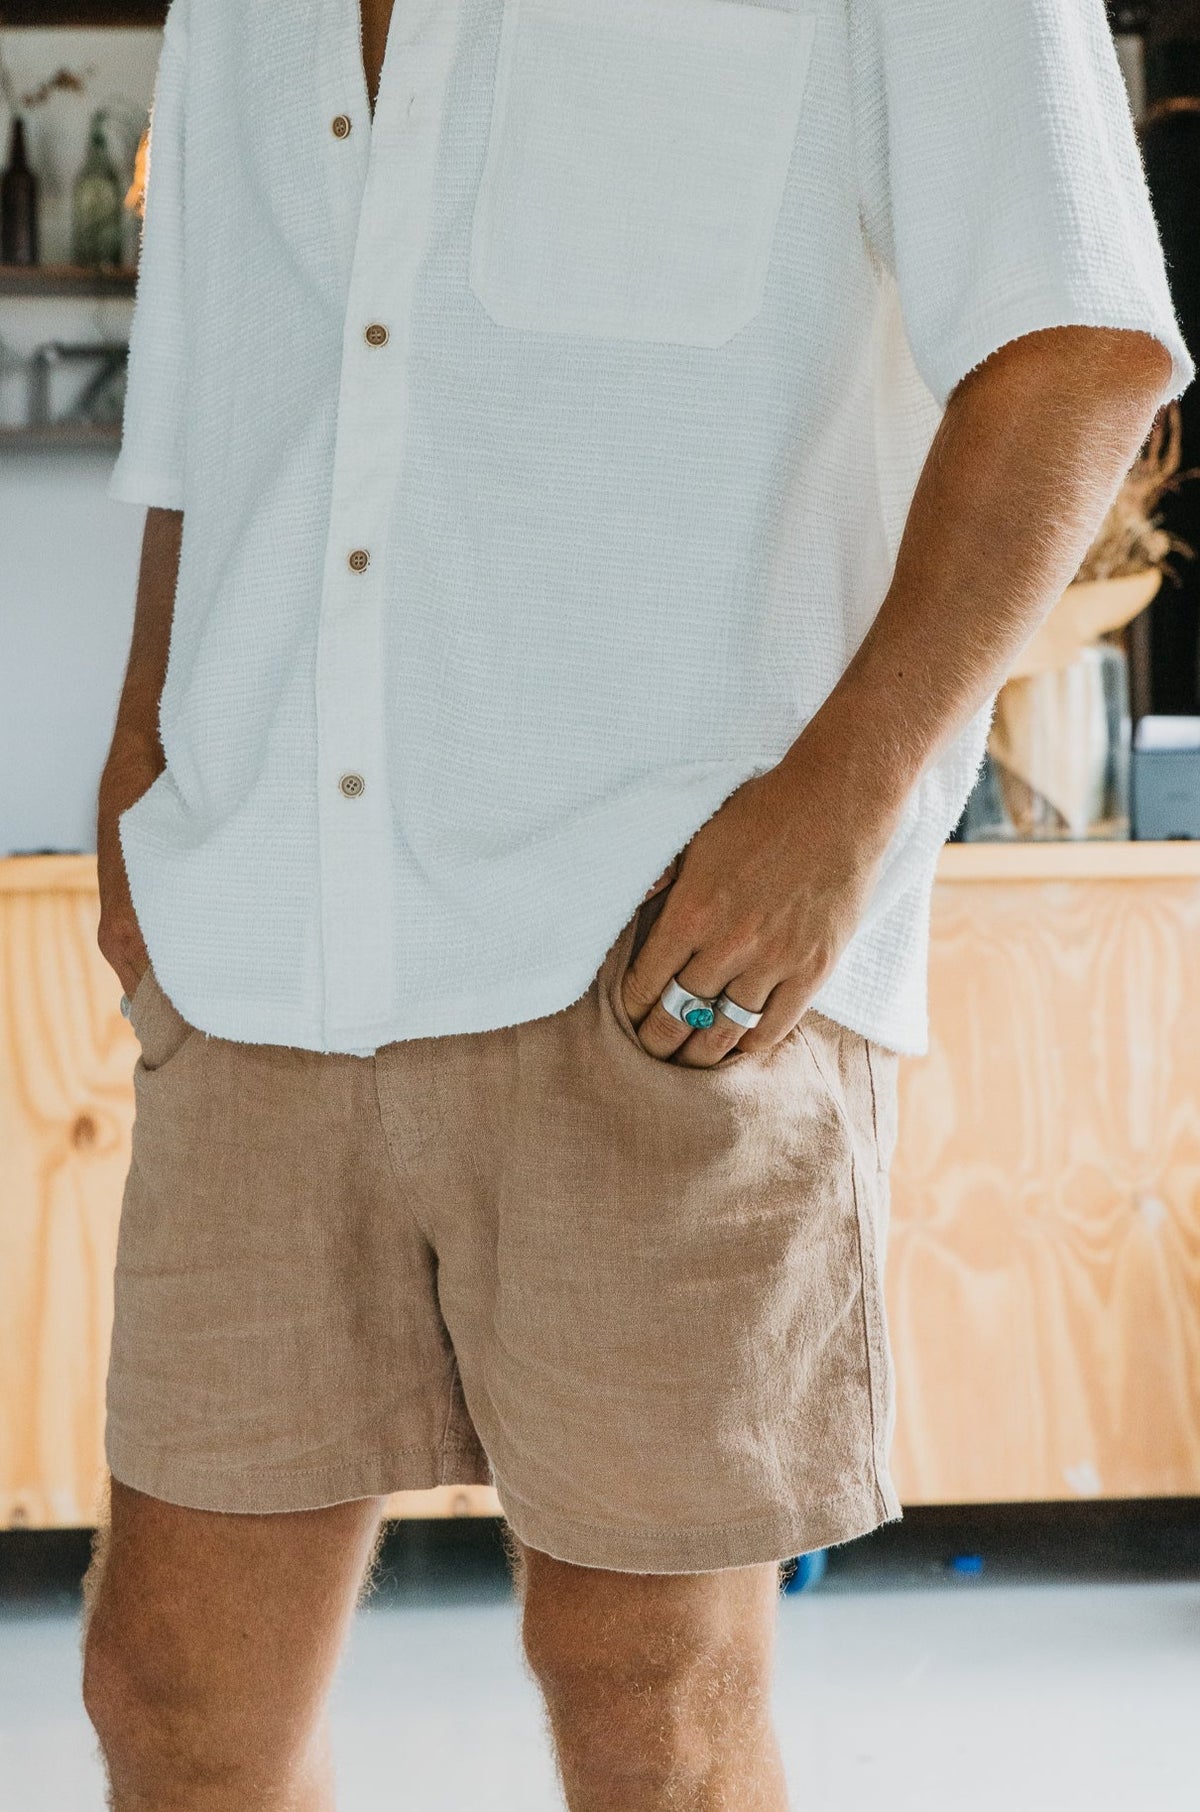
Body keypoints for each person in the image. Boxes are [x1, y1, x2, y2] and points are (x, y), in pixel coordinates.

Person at [81, 0, 1192, 1806]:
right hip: (273, 927)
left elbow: (1080, 348)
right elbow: (215, 395)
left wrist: (840, 807)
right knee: (166, 1686)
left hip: (665, 945)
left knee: (645, 1695)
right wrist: (140, 759)